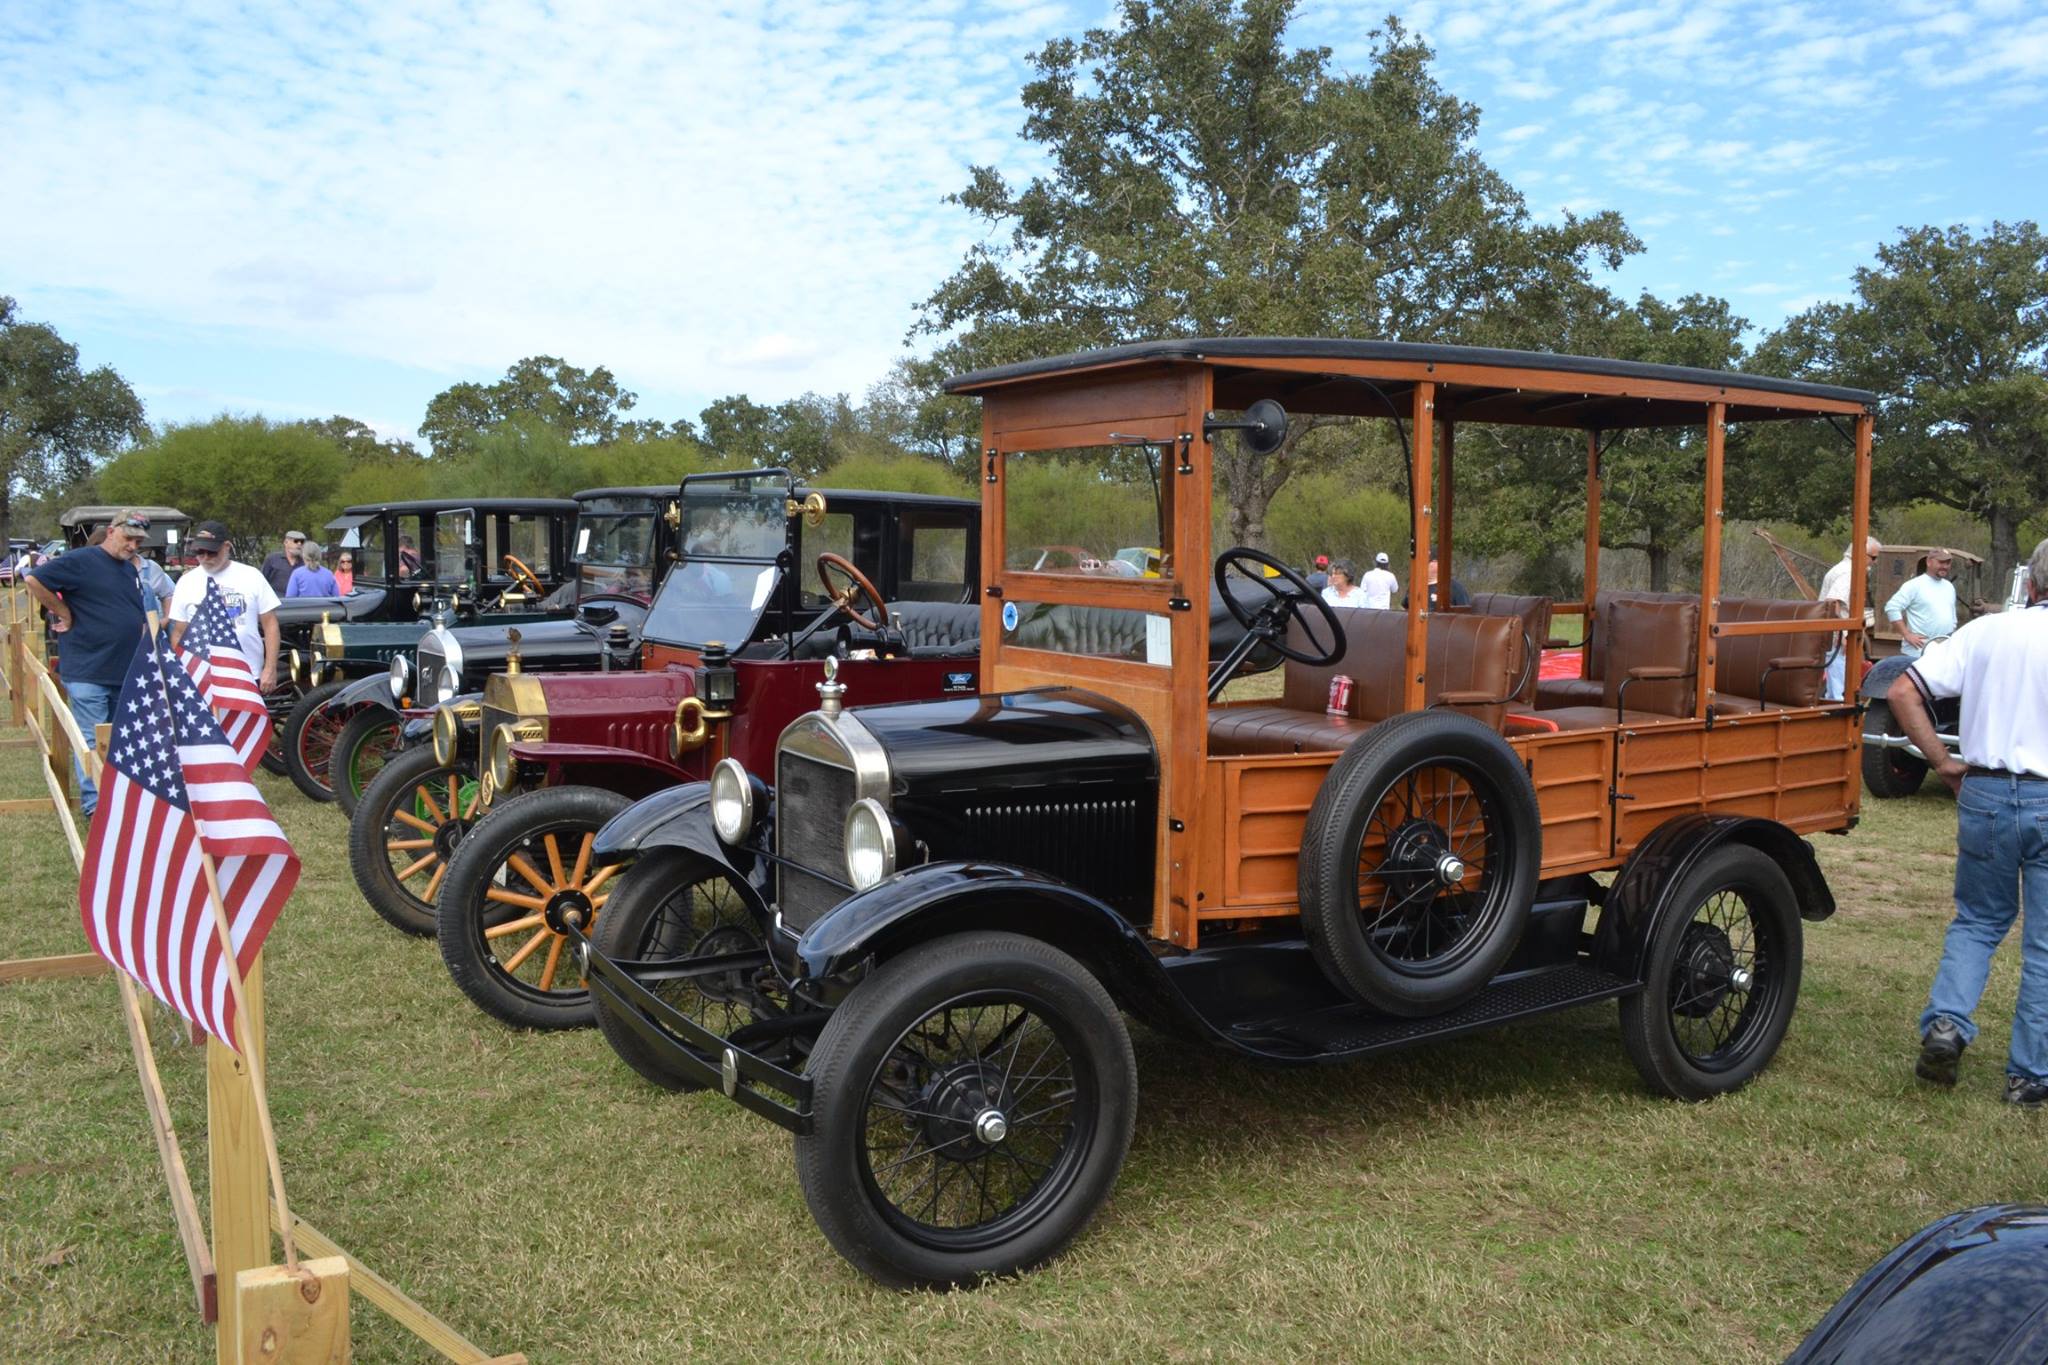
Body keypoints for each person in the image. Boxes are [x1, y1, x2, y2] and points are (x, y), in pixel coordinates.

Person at [1891, 536, 2048, 1108]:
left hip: (1982, 789)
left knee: (1978, 921)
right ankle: (2029, 1075)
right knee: (2045, 946)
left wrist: (1940, 761)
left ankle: (1948, 1024)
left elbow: (1904, 691)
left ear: (2030, 584)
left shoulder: (1984, 631)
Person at [20, 509, 154, 816]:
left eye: (138, 541)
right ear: (111, 531)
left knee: (121, 740)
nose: (133, 546)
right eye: (128, 538)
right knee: (94, 742)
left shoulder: (129, 569)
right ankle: (97, 809)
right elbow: (34, 580)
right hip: (88, 670)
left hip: (123, 671)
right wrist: (63, 612)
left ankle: (118, 804)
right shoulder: (80, 560)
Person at [168, 520, 280, 692]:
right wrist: (180, 670)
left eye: (211, 552)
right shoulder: (186, 582)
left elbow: (270, 624)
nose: (205, 558)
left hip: (247, 671)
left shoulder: (251, 576)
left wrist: (270, 668)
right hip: (201, 675)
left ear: (226, 546)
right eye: (199, 552)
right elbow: (179, 632)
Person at [1819, 536, 1882, 701]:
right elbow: (1833, 602)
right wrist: (1844, 634)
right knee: (1839, 678)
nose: (1874, 562)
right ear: (1861, 554)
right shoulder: (1849, 573)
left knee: (1836, 674)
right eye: (1873, 557)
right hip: (1837, 635)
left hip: (1833, 632)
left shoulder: (1842, 569)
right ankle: (1837, 711)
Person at [1885, 547, 1959, 659]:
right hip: (1917, 653)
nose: (1945, 566)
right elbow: (1891, 608)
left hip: (1942, 653)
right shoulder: (1915, 585)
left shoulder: (1949, 587)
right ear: (1929, 562)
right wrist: (1906, 634)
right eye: (1941, 562)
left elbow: (1952, 617)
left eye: (1948, 563)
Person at [260, 529, 307, 597]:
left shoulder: (305, 563)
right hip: (276, 601)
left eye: (302, 542)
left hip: (297, 602)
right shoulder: (273, 559)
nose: (299, 544)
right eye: (296, 541)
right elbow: (262, 581)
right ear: (286, 542)